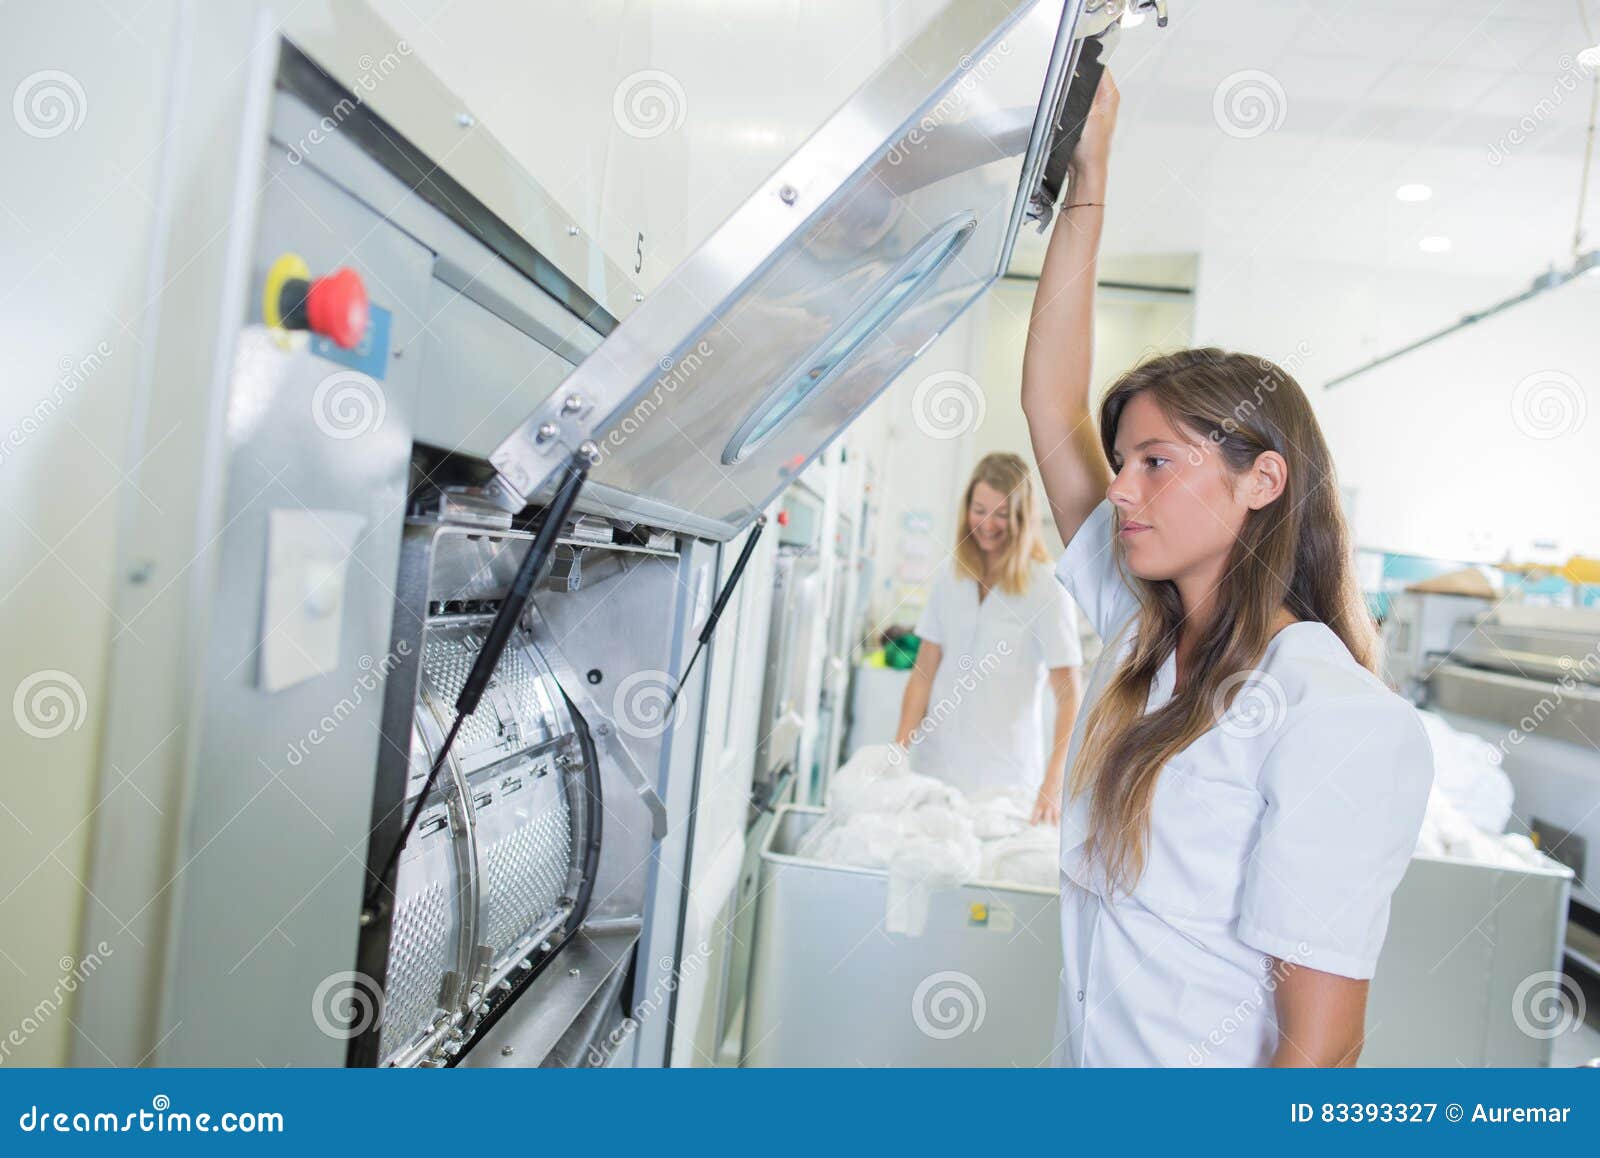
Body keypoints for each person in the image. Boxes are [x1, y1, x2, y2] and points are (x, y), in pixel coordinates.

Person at [1022, 70, 1432, 1067]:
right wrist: (1089, 178)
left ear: (1262, 481)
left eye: (1156, 462)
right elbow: (1049, 403)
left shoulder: (1331, 714)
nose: (1121, 489)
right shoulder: (1143, 632)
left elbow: (1321, 1052)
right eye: (1119, 463)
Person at [894, 452, 1084, 823]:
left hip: (1005, 782)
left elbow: (1069, 695)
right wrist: (898, 751)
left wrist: (1054, 779)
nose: (988, 524)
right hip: (936, 769)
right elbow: (923, 673)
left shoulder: (1045, 586)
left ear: (1021, 518)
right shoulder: (951, 578)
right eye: (980, 510)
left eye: (1001, 514)